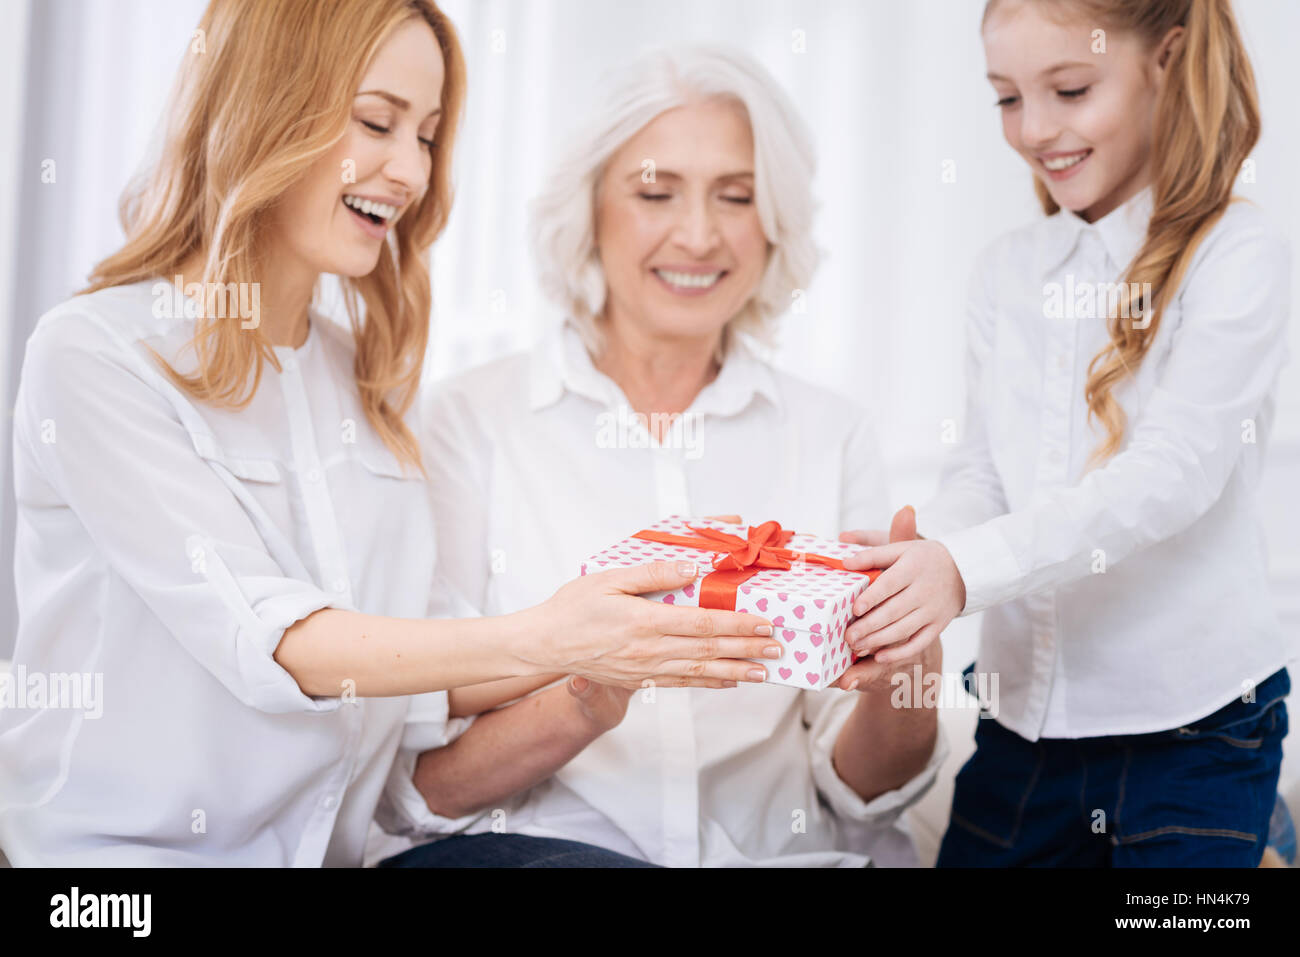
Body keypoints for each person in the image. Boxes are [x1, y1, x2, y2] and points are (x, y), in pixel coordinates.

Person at [0, 1, 778, 867]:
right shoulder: (98, 357)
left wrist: (629, 640)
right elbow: (279, 643)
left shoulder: (359, 381)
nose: (408, 169)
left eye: (428, 135)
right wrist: (556, 635)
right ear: (266, 107)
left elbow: (424, 676)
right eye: (377, 122)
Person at [374, 47, 946, 868]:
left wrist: (909, 655)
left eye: (737, 197)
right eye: (654, 192)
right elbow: (425, 790)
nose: (700, 234)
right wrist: (589, 689)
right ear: (589, 209)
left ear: (773, 218)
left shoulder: (832, 433)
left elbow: (860, 790)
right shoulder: (471, 421)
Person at [840, 0, 1293, 866]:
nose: (1034, 129)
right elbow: (984, 472)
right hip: (1023, 738)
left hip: (1196, 739)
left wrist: (961, 570)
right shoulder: (1007, 272)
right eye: (1007, 98)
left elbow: (1167, 478)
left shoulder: (1239, 253)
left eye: (1071, 89)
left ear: (1167, 60)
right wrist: (914, 552)